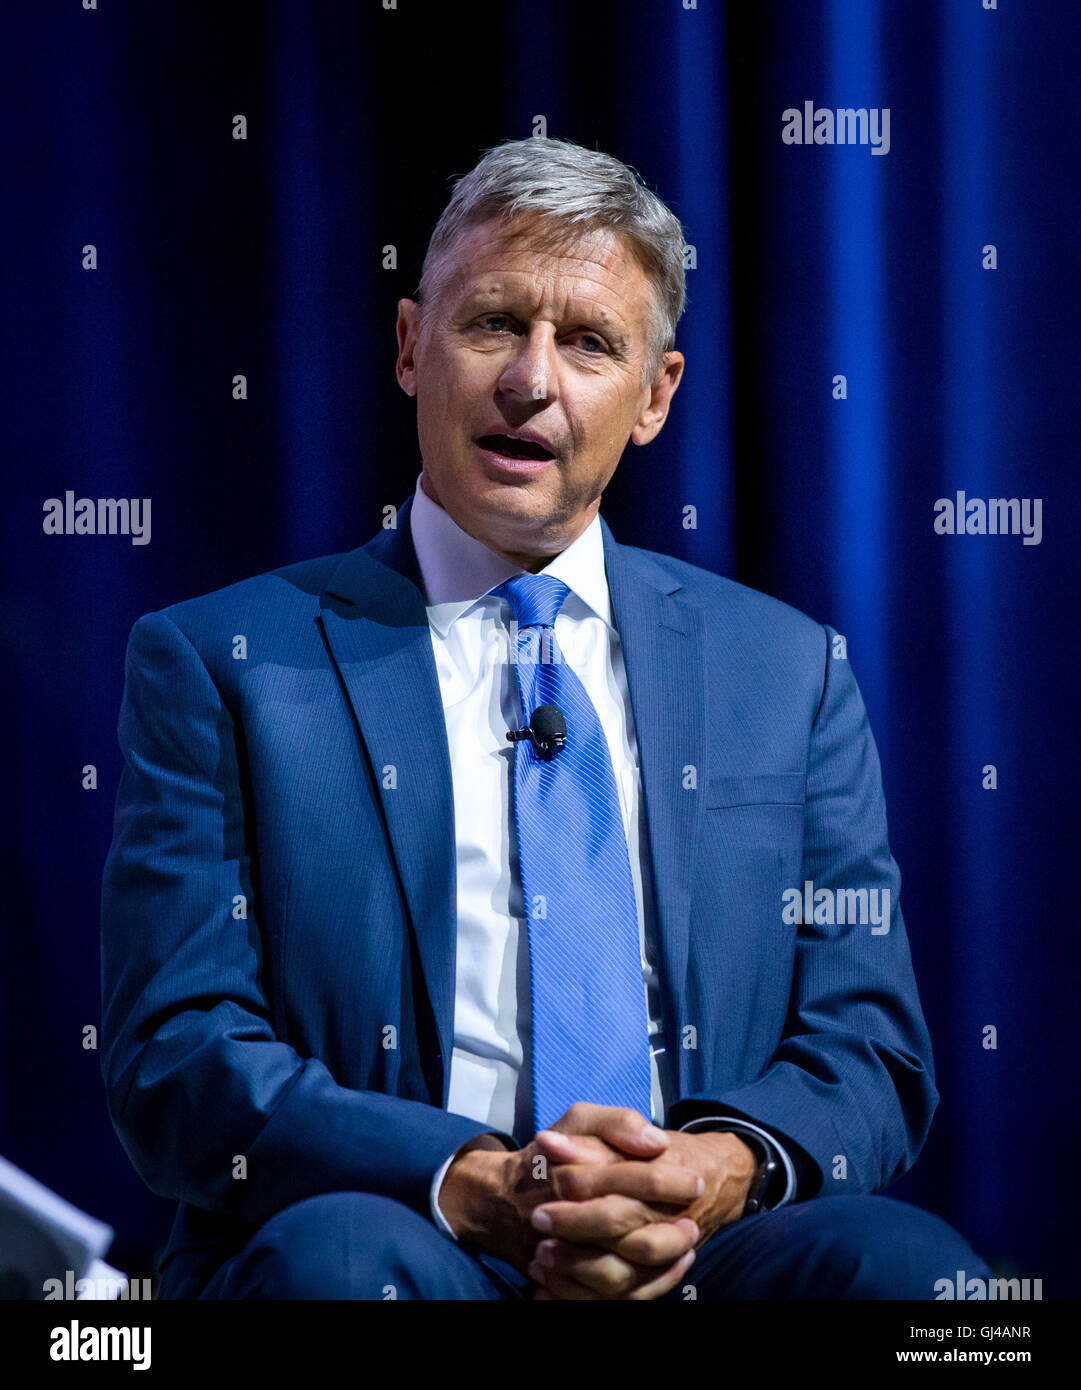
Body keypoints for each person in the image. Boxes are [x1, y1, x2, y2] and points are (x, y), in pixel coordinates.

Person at [100, 137, 991, 1300]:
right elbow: (176, 1052)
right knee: (344, 1270)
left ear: (656, 395)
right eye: (492, 326)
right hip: (400, 1231)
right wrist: (468, 1176)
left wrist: (707, 1174)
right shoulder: (224, 662)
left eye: (586, 343)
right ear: (413, 347)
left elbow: (867, 1046)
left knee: (922, 1282)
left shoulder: (787, 669)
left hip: (701, 1251)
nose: (532, 380)